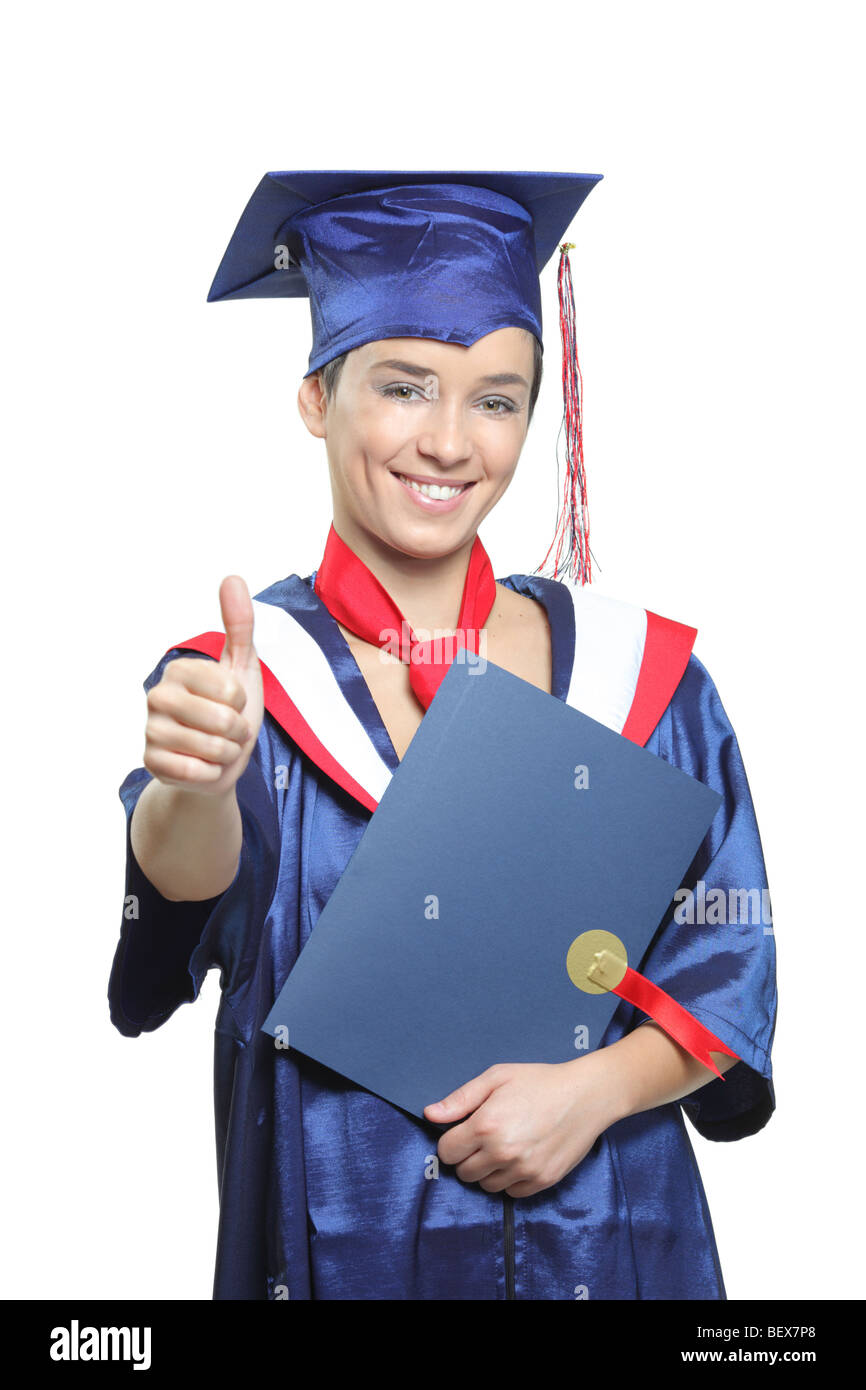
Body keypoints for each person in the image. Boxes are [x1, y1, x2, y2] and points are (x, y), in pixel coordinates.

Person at [108, 170, 777, 1300]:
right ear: (317, 396)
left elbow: (729, 961)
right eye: (405, 386)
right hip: (341, 1252)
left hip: (613, 1248)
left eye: (497, 399)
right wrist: (198, 787)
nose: (450, 442)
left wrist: (594, 1091)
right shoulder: (241, 683)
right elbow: (190, 894)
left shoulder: (640, 677)